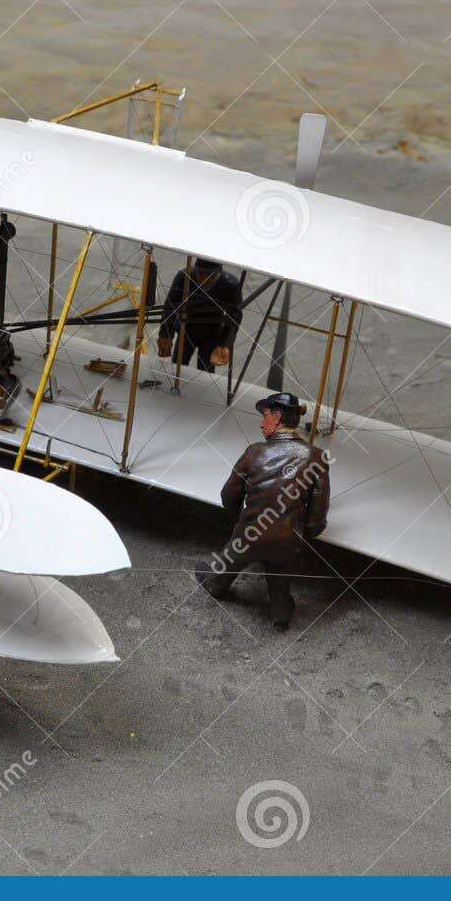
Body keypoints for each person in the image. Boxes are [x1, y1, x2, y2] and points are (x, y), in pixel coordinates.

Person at [195, 391, 330, 631]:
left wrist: (242, 519)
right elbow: (318, 511)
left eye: (265, 416)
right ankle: (280, 612)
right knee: (280, 570)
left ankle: (217, 584)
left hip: (249, 534)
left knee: (230, 560)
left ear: (277, 418)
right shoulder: (317, 457)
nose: (261, 422)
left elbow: (228, 496)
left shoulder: (254, 452)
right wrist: (306, 531)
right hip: (287, 538)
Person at [157, 257, 242, 371]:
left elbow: (234, 317)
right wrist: (166, 334)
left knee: (206, 370)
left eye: (209, 275)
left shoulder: (231, 285)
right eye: (200, 273)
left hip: (212, 332)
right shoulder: (184, 277)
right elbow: (170, 307)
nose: (203, 279)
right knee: (178, 366)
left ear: (218, 273)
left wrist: (224, 344)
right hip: (186, 328)